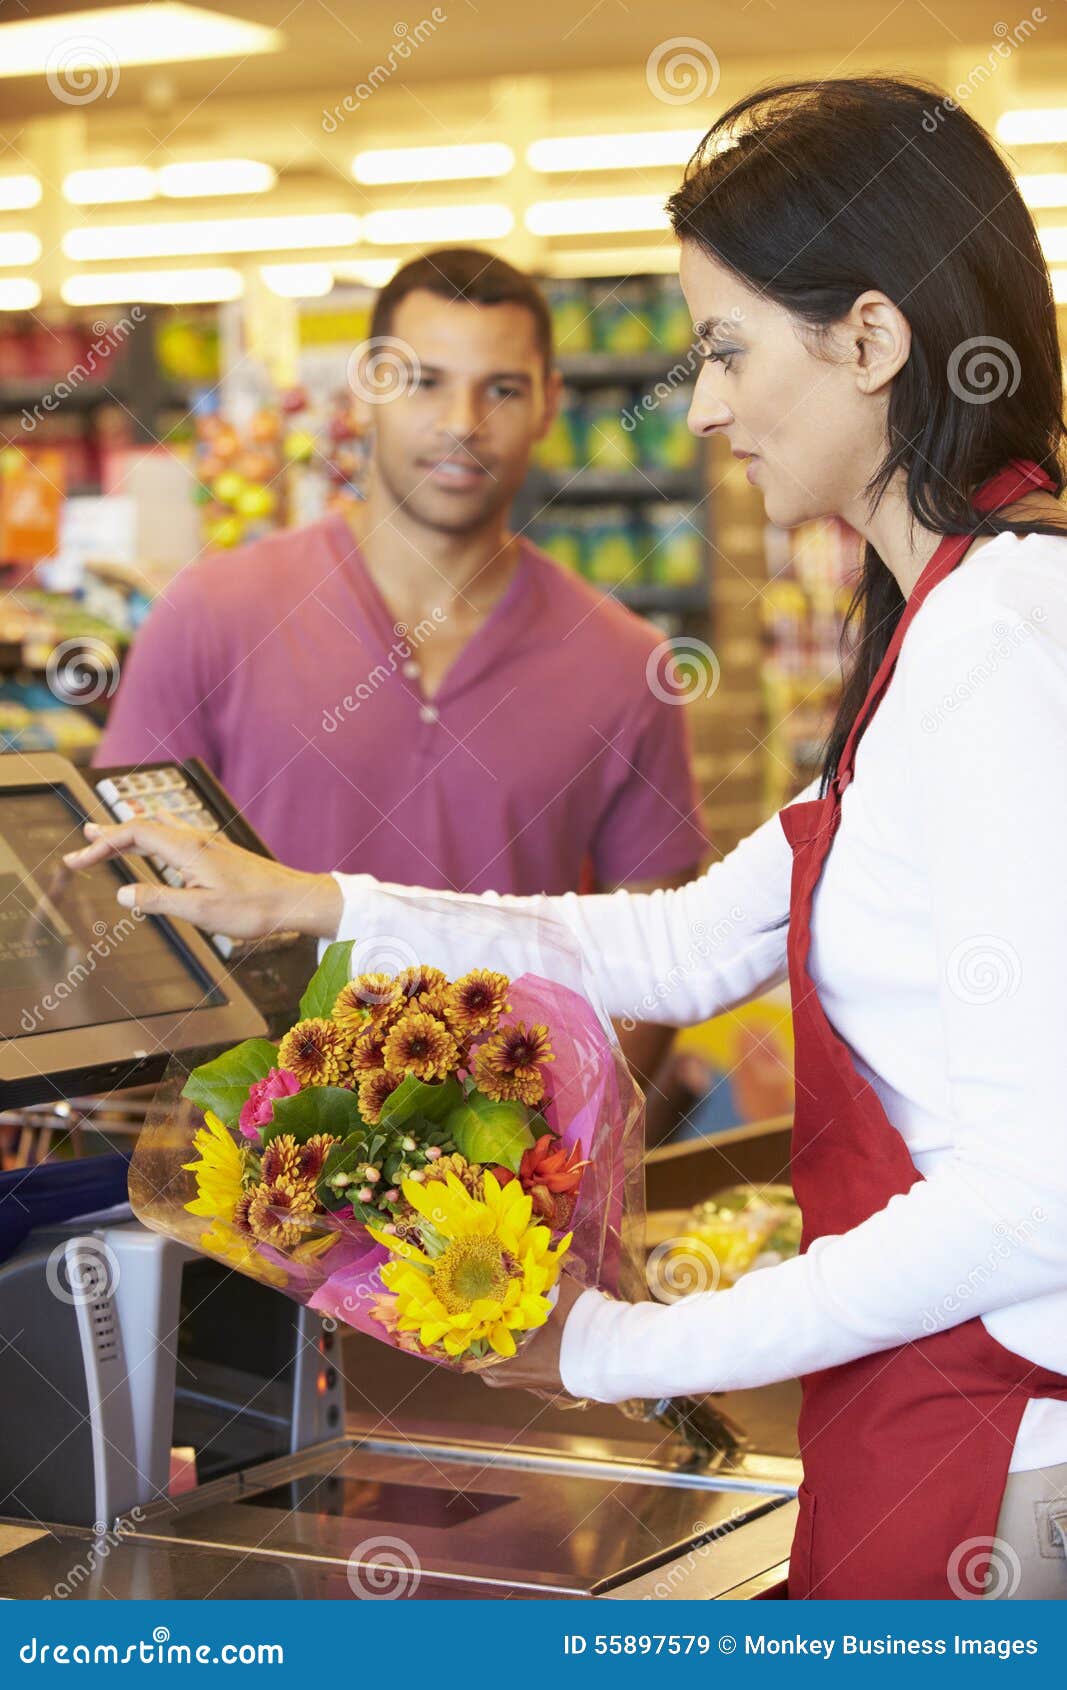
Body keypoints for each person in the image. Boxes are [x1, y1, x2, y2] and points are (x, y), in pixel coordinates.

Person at [68, 76, 1067, 1600]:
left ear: (869, 340)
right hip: (929, 1412)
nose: (708, 404)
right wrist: (306, 898)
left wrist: (619, 1343)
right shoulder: (938, 633)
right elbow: (668, 937)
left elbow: (1031, 1190)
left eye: (725, 346)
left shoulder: (1008, 631)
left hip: (995, 1449)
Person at [96, 248, 707, 1079]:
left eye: (501, 388)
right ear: (367, 389)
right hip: (248, 1169)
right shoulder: (210, 613)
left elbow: (661, 942)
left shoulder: (626, 663)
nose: (462, 420)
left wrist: (565, 1132)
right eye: (424, 381)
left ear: (547, 406)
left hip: (503, 1184)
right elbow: (128, 888)